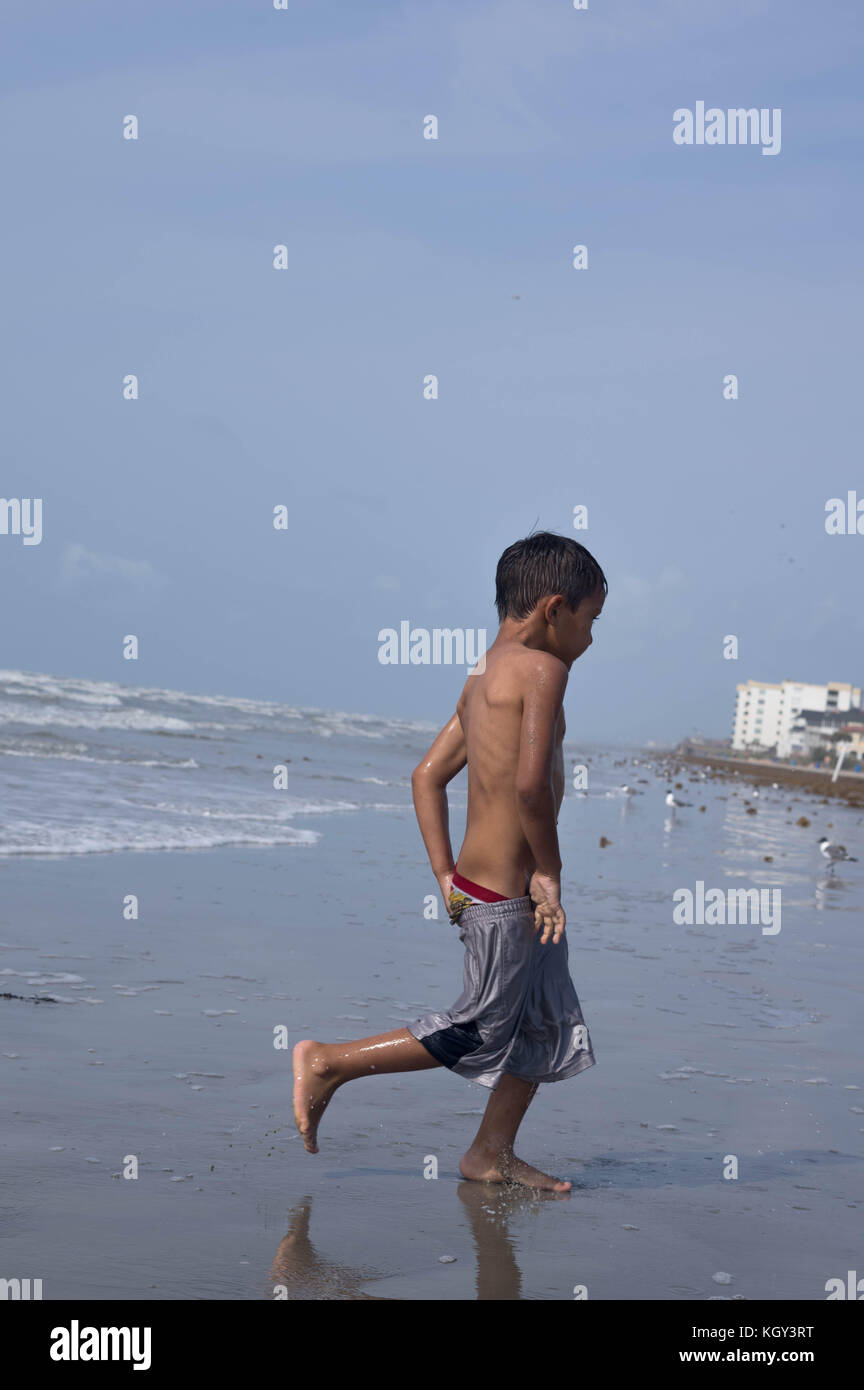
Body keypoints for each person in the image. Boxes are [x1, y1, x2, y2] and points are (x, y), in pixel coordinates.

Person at [293, 531, 606, 1191]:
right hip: (511, 898)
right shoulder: (546, 670)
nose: (591, 638)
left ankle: (490, 1153)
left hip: (479, 888)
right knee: (478, 1028)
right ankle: (329, 1063)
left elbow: (425, 776)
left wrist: (443, 875)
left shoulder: (481, 676)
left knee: (544, 1018)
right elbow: (528, 788)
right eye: (591, 619)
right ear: (555, 609)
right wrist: (548, 872)